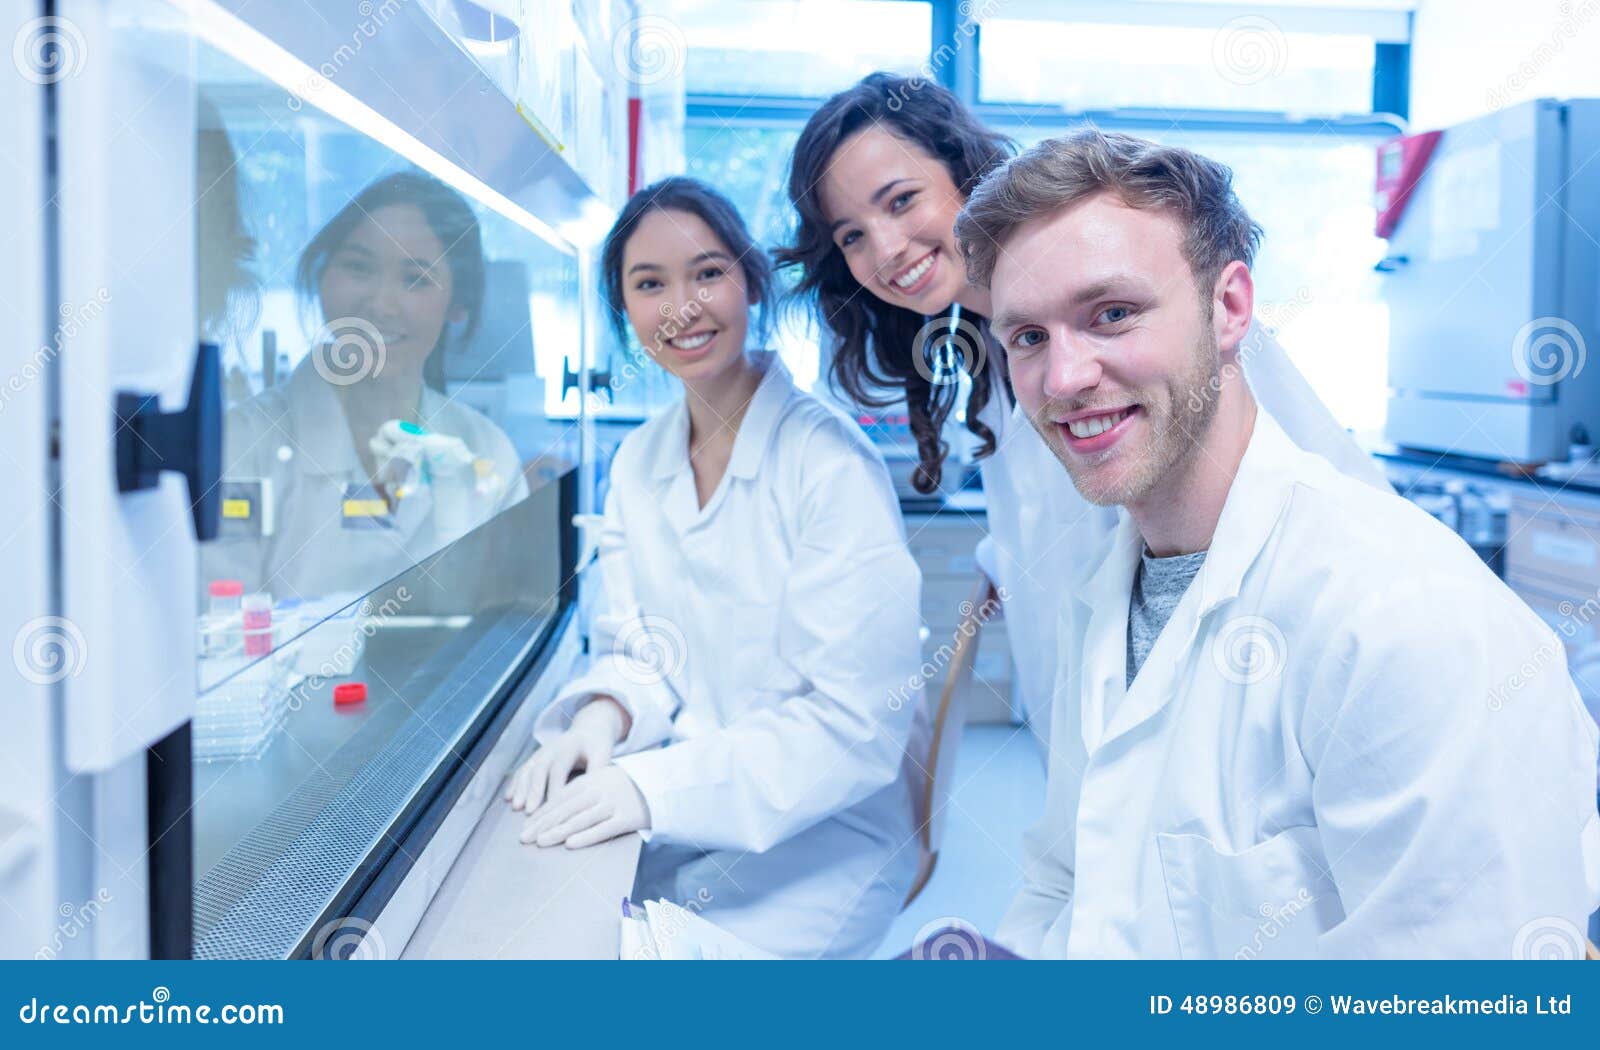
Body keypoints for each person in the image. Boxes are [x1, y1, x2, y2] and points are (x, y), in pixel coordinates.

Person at [954, 128, 1600, 958]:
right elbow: (1065, 880)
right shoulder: (1110, 598)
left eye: (1111, 314)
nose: (1064, 377)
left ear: (1229, 308)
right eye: (1028, 338)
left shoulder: (1406, 619)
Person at [779, 73, 1389, 741]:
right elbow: (1067, 524)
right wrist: (1003, 559)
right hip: (1089, 742)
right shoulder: (999, 355)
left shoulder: (1166, 322)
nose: (886, 248)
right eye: (851, 237)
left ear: (964, 172)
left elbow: (1326, 519)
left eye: (900, 201)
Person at [504, 177, 926, 959]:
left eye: (707, 273)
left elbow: (853, 726)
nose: (682, 307)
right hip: (687, 819)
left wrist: (649, 788)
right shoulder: (638, 461)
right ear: (624, 311)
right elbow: (641, 653)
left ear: (752, 281)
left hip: (824, 839)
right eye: (649, 283)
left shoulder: (827, 464)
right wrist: (605, 714)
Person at [202, 171, 528, 604]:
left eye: (415, 279)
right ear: (321, 278)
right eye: (358, 267)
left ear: (457, 304)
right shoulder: (243, 446)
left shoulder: (486, 453)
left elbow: (505, 623)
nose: (380, 303)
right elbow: (218, 633)